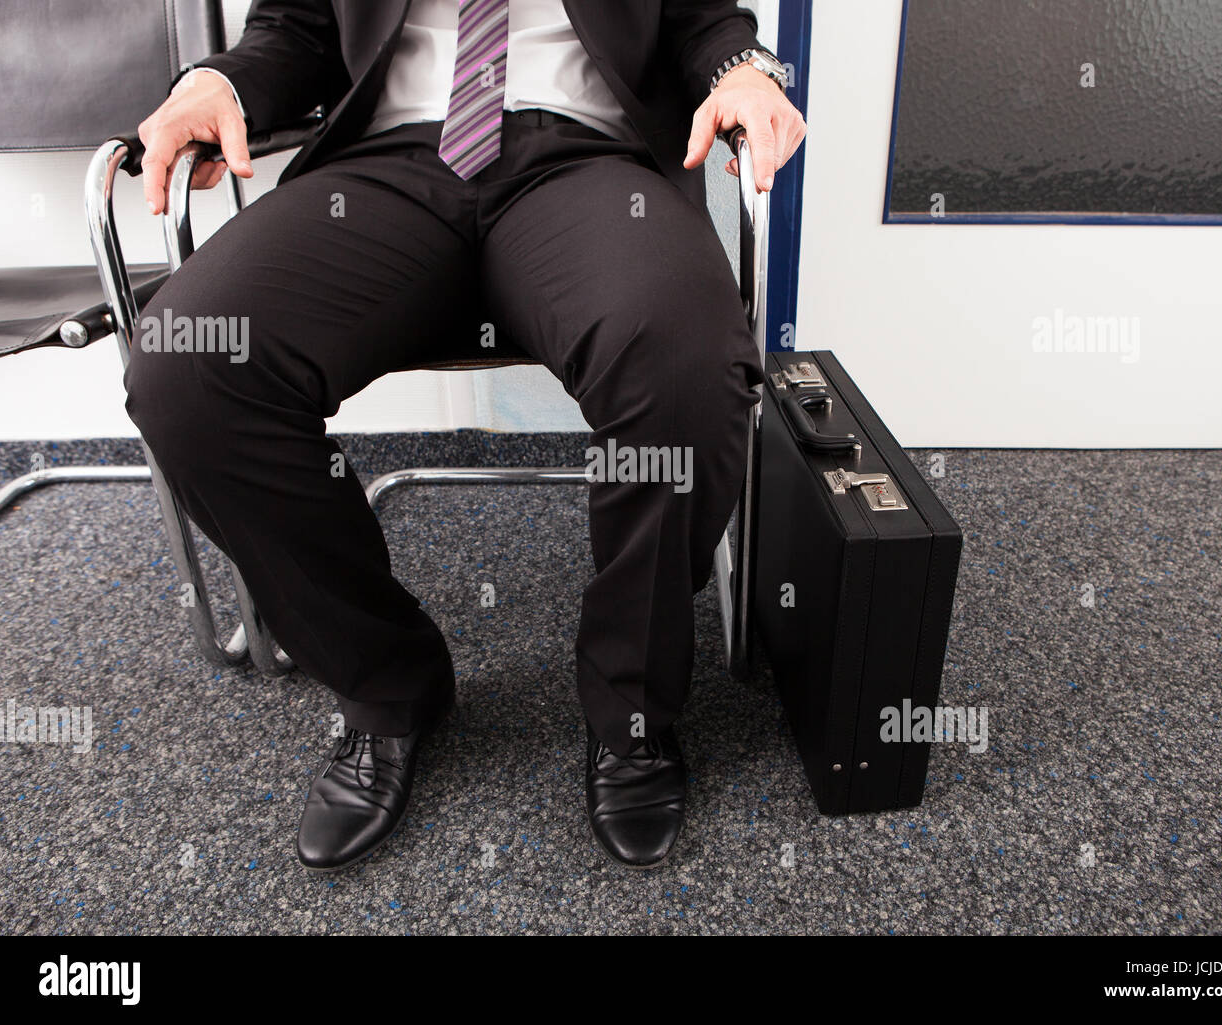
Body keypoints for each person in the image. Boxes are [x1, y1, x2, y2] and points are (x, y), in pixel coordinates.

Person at [128, 0, 806, 872]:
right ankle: (387, 688)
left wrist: (745, 73)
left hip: (588, 163)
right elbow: (294, 28)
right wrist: (212, 83)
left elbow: (702, 20)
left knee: (684, 369)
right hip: (387, 166)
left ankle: (630, 707)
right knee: (187, 369)